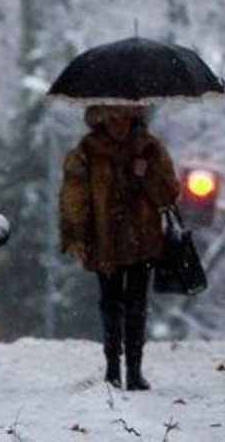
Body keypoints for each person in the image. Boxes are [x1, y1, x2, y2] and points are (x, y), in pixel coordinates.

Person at [58, 105, 180, 391]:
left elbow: (170, 193)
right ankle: (113, 368)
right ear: (103, 120)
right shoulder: (87, 151)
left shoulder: (150, 149)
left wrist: (146, 174)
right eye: (114, 119)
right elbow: (74, 197)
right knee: (110, 304)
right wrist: (77, 235)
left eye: (125, 118)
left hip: (143, 241)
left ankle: (134, 370)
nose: (120, 125)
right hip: (105, 242)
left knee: (137, 305)